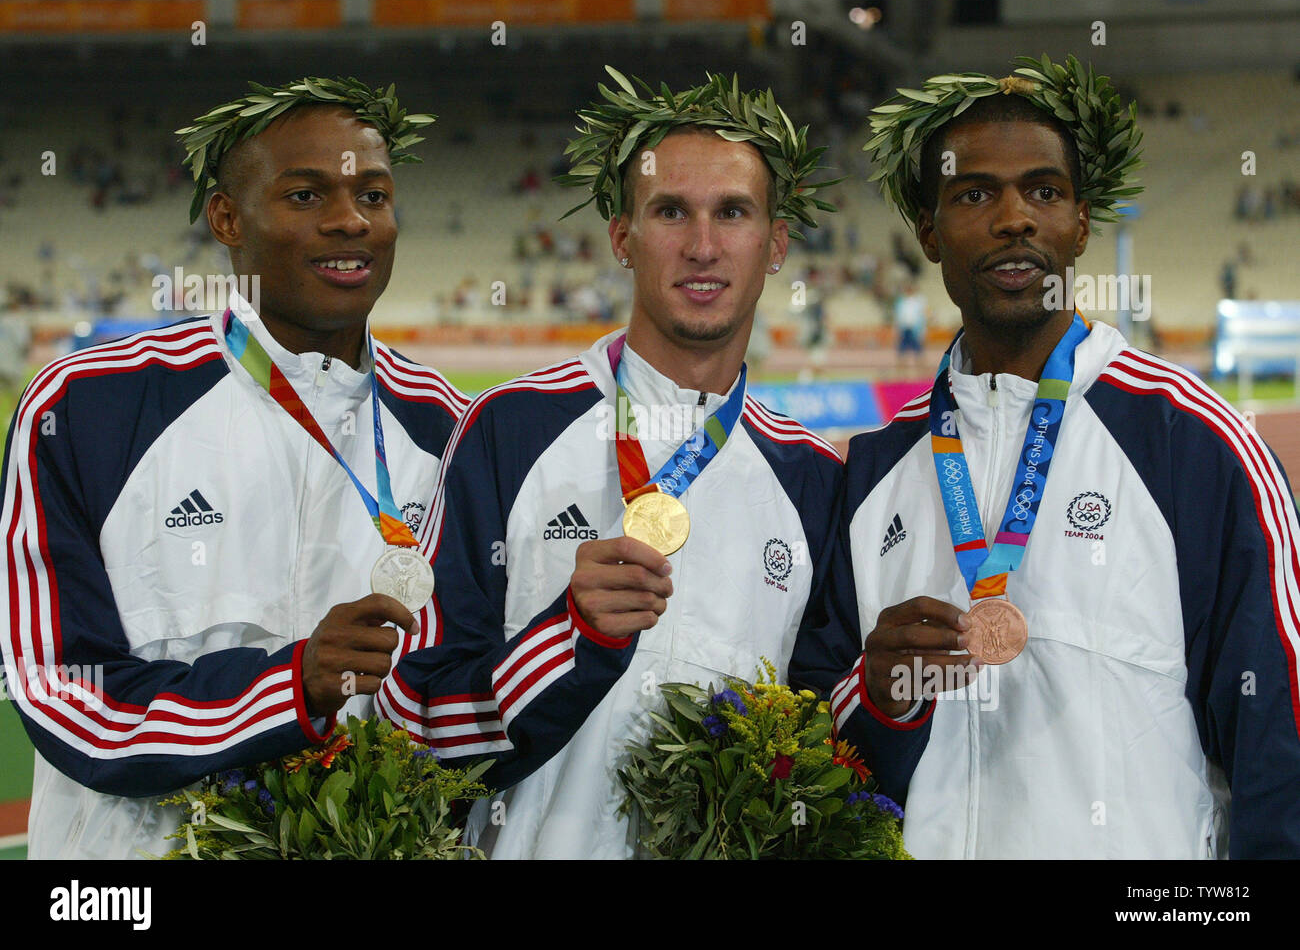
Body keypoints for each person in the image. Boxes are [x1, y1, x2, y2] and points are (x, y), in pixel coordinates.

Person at [790, 55, 1300, 858]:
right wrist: (881, 696)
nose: (1014, 218)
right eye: (974, 194)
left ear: (1082, 222)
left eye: (1045, 191)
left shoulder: (1196, 445)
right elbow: (810, 765)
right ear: (927, 231)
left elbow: (1279, 741)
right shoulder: (872, 475)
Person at [377, 70, 842, 858]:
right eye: (670, 212)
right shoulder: (511, 429)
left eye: (732, 212)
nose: (702, 245)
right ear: (623, 238)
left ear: (775, 244)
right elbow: (410, 717)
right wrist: (567, 638)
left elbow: (827, 757)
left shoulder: (813, 480)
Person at [0, 77, 468, 859]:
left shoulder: (454, 430)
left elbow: (464, 707)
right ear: (227, 219)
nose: (350, 218)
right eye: (305, 194)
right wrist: (292, 686)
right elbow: (63, 694)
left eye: (374, 193)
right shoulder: (87, 407)